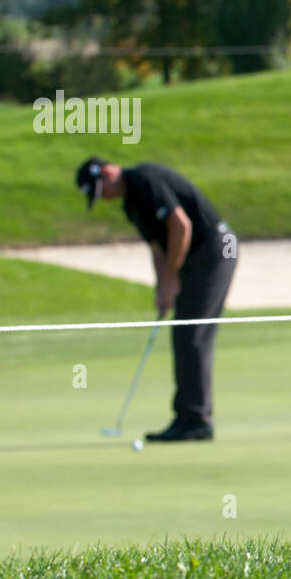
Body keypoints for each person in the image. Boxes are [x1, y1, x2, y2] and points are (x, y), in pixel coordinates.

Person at [75, 156, 237, 442]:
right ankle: (190, 415)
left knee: (192, 334)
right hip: (196, 256)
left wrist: (172, 276)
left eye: (102, 191)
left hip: (216, 250)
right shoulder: (130, 205)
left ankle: (196, 419)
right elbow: (158, 247)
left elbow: (181, 226)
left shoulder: (145, 179)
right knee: (185, 332)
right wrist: (162, 287)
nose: (106, 198)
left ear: (109, 171)